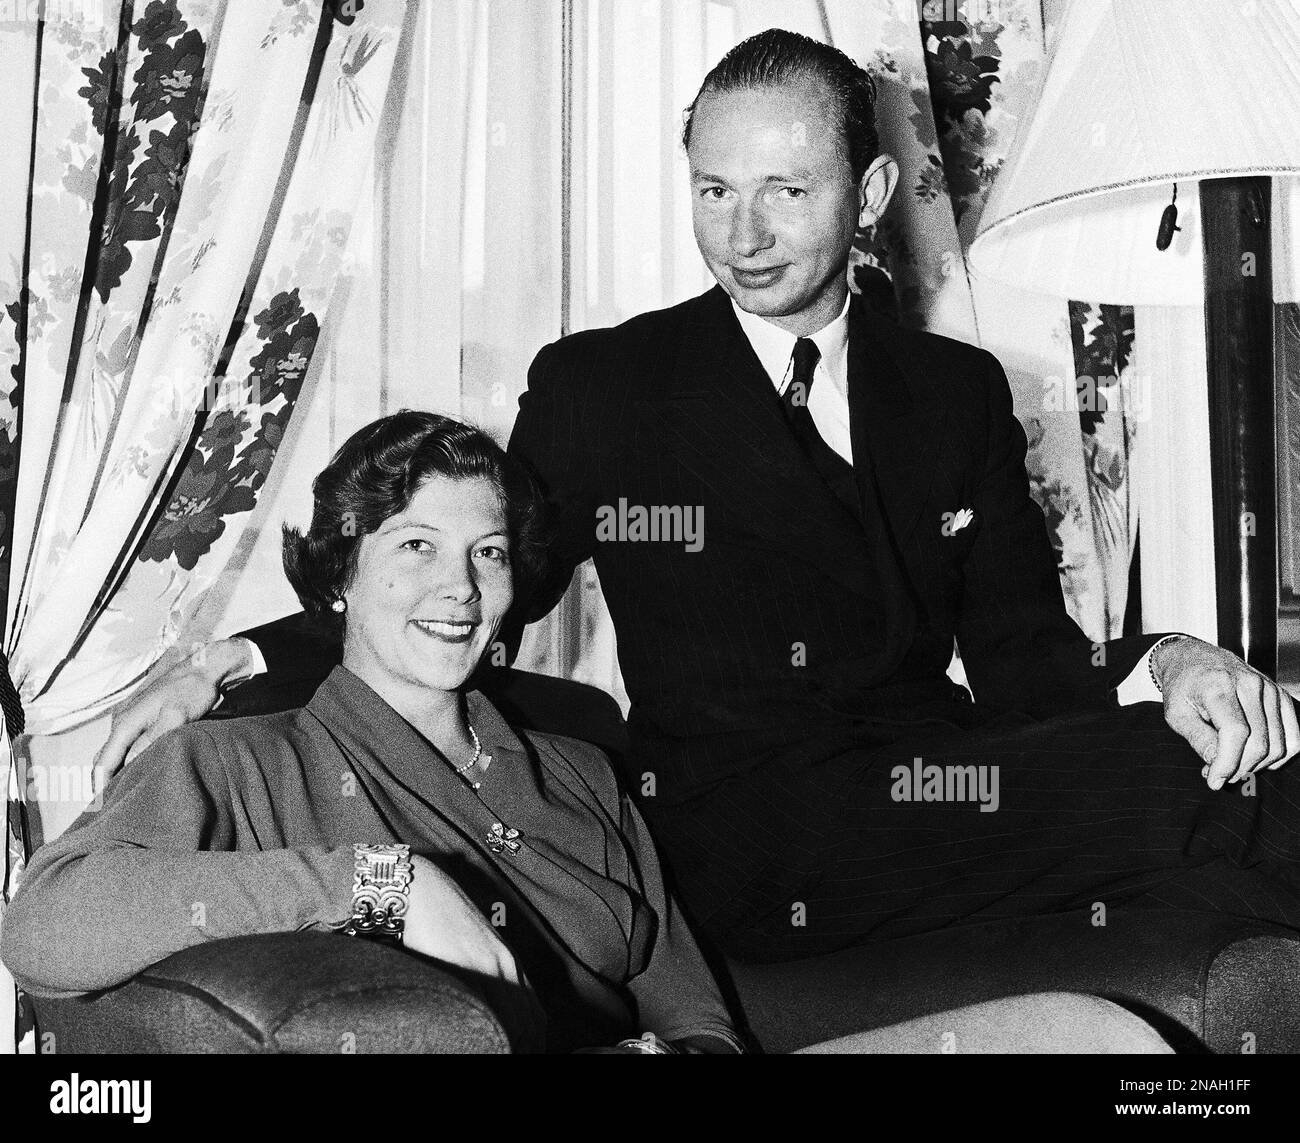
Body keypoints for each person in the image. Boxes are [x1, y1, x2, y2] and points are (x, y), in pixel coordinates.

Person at [91, 31, 1300, 965]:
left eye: (786, 190)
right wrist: (231, 665)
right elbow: (453, 601)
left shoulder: (955, 391)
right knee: (1190, 791)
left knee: (1254, 776)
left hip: (939, 786)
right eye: (714, 190)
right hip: (738, 824)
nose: (743, 234)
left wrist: (1181, 660)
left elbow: (1029, 664)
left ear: (871, 194)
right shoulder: (608, 384)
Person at [2, 411, 1171, 1055]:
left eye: (487, 552)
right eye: (412, 545)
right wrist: (375, 882)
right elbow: (44, 925)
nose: (456, 589)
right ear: (337, 581)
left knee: (1089, 1035)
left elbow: (678, 983)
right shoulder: (238, 759)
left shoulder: (572, 765)